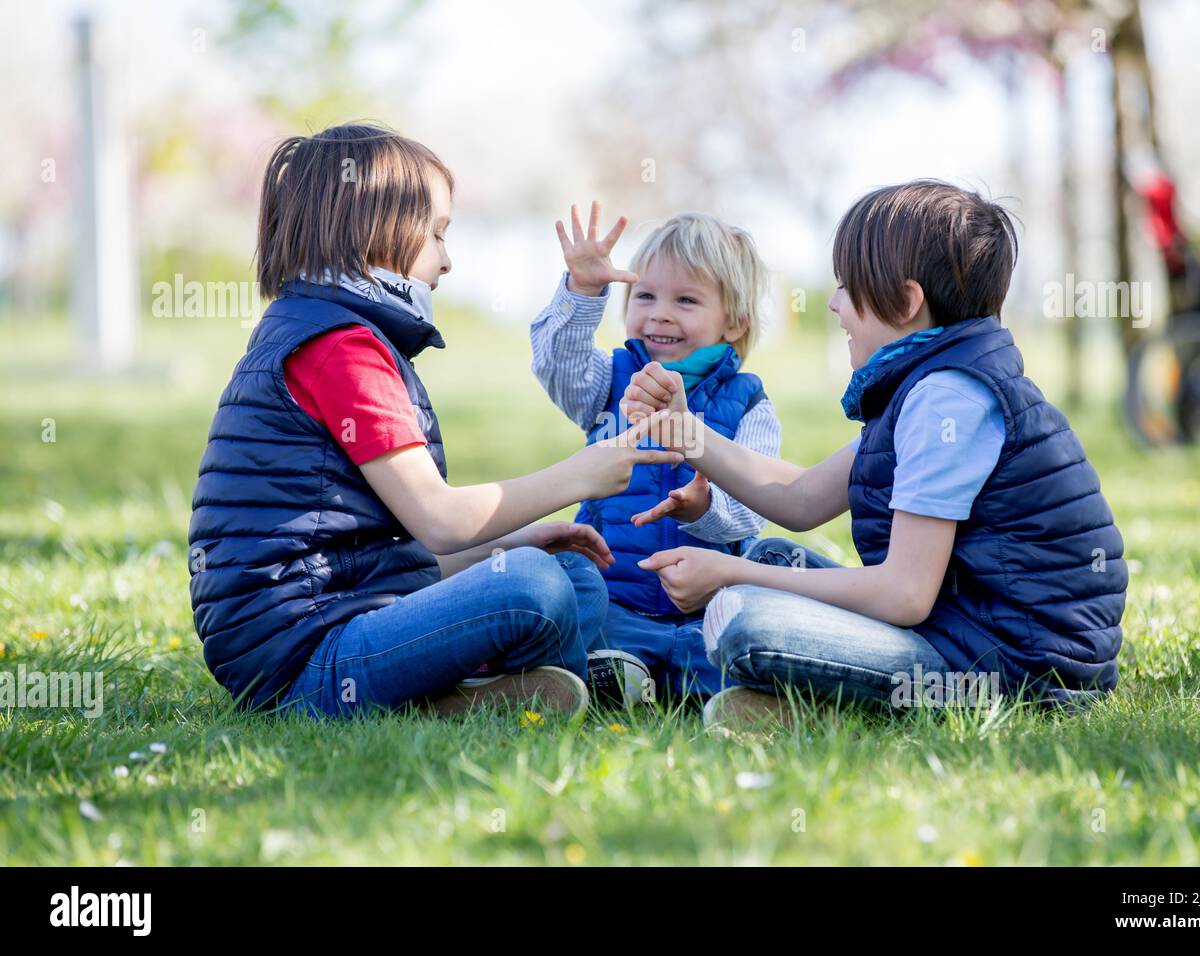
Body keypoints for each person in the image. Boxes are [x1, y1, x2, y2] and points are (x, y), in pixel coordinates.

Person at [188, 124, 681, 719]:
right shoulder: (338, 350)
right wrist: (583, 474)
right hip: (305, 657)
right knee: (534, 586)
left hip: (347, 614)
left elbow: (382, 552)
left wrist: (514, 541)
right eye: (438, 235)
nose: (447, 261)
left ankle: (471, 697)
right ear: (376, 229)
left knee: (570, 576)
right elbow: (441, 521)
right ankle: (456, 697)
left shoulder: (336, 333)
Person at [624, 181, 1129, 729]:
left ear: (907, 302)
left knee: (746, 618)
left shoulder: (948, 402)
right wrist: (686, 431)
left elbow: (904, 595)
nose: (834, 303)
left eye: (847, 286)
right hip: (966, 630)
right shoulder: (930, 382)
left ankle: (821, 703)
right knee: (770, 560)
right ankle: (799, 706)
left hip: (1017, 669)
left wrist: (727, 575)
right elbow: (799, 499)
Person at [530, 204, 780, 707]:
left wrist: (705, 509)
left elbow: (756, 504)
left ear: (734, 322)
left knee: (730, 645)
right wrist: (582, 292)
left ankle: (716, 688)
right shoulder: (611, 380)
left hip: (707, 605)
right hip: (616, 597)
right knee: (585, 625)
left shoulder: (749, 402)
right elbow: (559, 367)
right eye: (645, 295)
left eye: (686, 300)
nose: (660, 313)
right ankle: (616, 674)